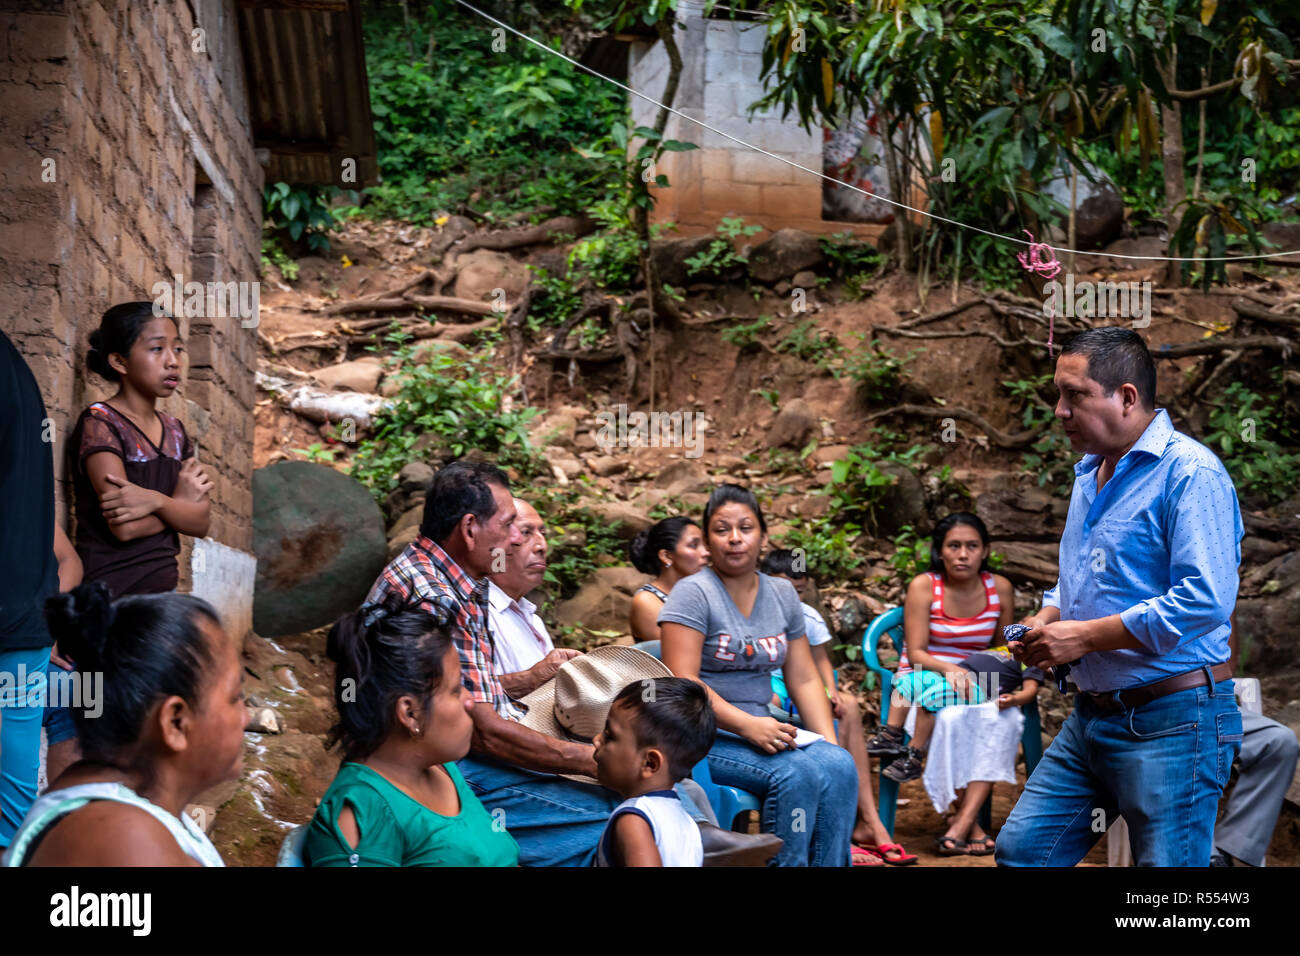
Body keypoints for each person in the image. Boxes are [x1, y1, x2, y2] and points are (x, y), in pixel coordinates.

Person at [364, 461, 776, 866]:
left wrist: (533, 682)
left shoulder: (450, 580)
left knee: (646, 777)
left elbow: (462, 692)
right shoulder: (438, 597)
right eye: (510, 526)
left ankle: (695, 832)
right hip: (442, 762)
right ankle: (687, 839)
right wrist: (597, 760)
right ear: (471, 529)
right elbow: (482, 732)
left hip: (470, 739)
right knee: (624, 817)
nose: (515, 540)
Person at [997, 328, 1244, 867]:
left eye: (1074, 395)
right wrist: (1045, 621)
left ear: (1126, 397)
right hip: (1092, 717)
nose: (1059, 411)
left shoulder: (1190, 473)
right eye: (1058, 396)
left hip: (1175, 717)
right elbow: (1078, 579)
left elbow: (1204, 600)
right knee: (1025, 852)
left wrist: (1081, 637)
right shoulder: (1089, 472)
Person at [48, 303, 213, 780]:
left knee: (146, 728)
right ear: (119, 362)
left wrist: (157, 502)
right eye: (157, 349)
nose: (173, 361)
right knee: (95, 734)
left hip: (156, 603)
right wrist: (177, 504)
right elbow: (122, 524)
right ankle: (74, 831)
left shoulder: (177, 433)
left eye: (178, 349)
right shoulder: (100, 424)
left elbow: (202, 523)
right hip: (107, 603)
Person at [659, 483, 858, 867]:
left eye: (745, 528)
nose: (734, 539)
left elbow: (801, 677)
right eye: (721, 530)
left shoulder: (782, 594)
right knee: (796, 773)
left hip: (764, 729)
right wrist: (748, 725)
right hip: (704, 735)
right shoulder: (693, 593)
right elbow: (684, 683)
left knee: (840, 764)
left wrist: (828, 746)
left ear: (763, 536)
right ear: (707, 541)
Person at [3, 582, 244, 866]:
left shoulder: (124, 812)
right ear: (175, 722)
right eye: (235, 697)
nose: (245, 716)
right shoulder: (122, 839)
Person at [303, 593, 519, 866]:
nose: (469, 700)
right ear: (410, 713)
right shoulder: (360, 814)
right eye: (455, 690)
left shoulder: (442, 770)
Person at [760, 549, 916, 866]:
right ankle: (844, 833)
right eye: (783, 588)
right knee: (775, 703)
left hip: (801, 688)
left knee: (848, 707)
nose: (791, 596)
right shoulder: (751, 610)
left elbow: (821, 665)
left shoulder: (808, 617)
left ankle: (869, 822)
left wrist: (831, 692)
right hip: (770, 690)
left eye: (799, 590)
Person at [0, 330, 83, 850]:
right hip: (24, 627)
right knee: (12, 805)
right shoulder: (16, 369)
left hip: (25, 626)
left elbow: (67, 561)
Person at [867, 512, 1014, 796]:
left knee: (950, 707)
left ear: (985, 551)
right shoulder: (924, 586)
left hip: (976, 680)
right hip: (927, 673)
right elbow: (915, 655)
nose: (963, 555)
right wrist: (951, 669)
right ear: (940, 551)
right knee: (914, 690)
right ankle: (892, 737)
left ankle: (915, 758)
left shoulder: (1000, 588)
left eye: (972, 546)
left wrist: (974, 675)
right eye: (953, 546)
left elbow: (1003, 652)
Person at [924, 646, 1044, 856]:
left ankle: (961, 823)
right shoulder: (998, 648)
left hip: (987, 702)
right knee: (947, 722)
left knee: (994, 729)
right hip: (950, 690)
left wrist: (1013, 700)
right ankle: (971, 826)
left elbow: (1030, 690)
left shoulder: (1030, 658)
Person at [593, 677, 716, 867]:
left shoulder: (633, 820)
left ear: (650, 763)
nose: (596, 739)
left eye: (609, 735)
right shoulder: (688, 823)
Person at [1211, 623, 1300, 867]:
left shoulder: (1216, 587)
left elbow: (1226, 660)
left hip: (1209, 699)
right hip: (1159, 704)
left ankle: (1230, 849)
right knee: (1189, 744)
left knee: (1278, 742)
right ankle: (1206, 856)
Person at [486, 497, 581, 694]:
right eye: (526, 532)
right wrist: (529, 679)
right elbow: (461, 696)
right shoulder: (473, 612)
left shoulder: (532, 618)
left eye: (543, 533)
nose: (542, 546)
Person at [628, 516, 710, 646]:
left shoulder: (703, 593)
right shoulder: (647, 601)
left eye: (705, 545)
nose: (706, 553)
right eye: (694, 545)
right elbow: (679, 651)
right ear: (667, 556)